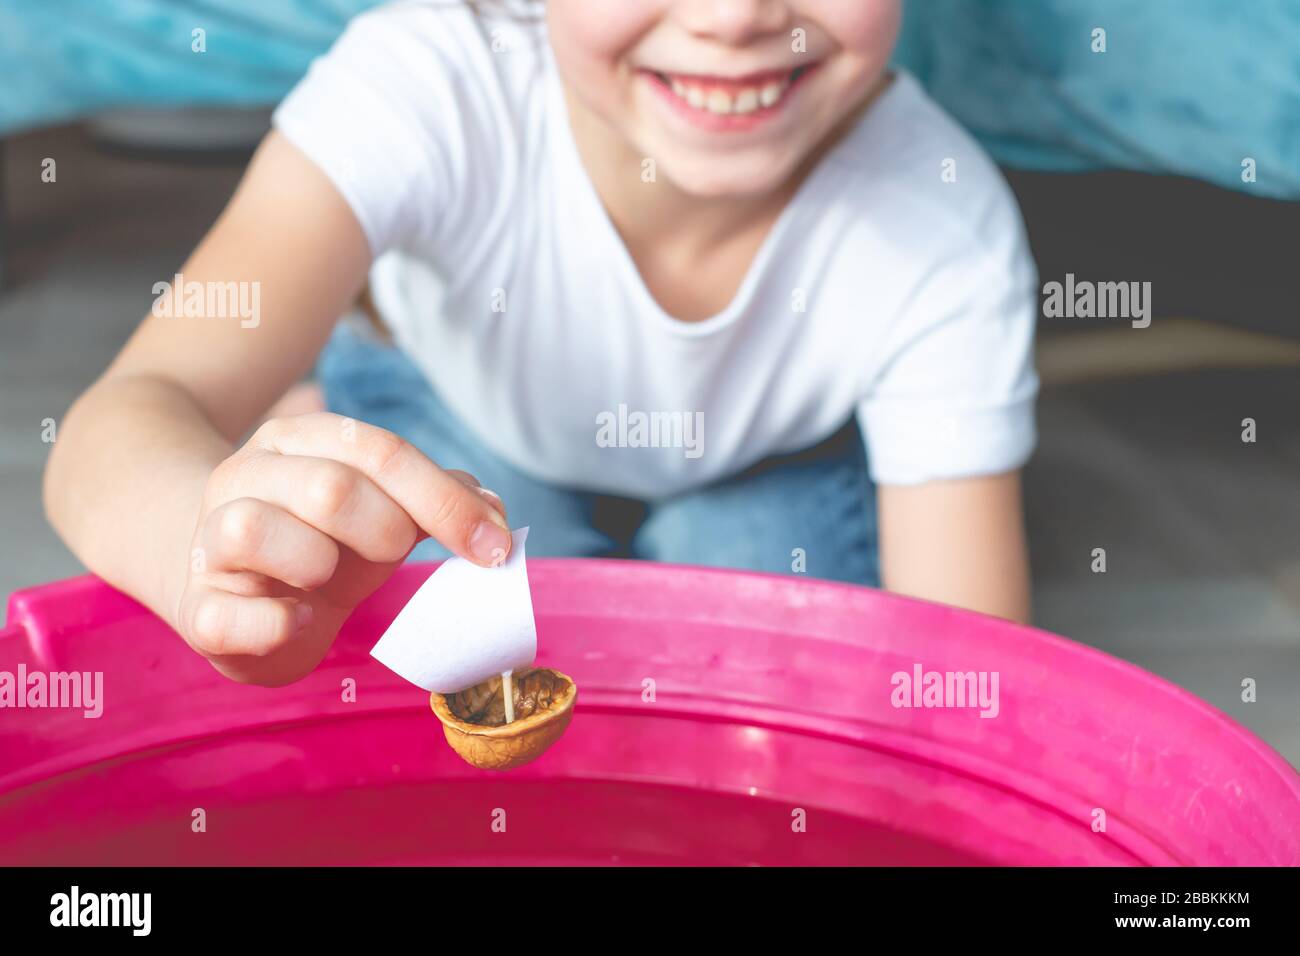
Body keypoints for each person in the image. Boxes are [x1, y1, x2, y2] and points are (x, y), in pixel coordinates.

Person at [44, 0, 1038, 687]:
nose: (733, 17)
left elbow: (968, 678)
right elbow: (131, 410)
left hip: (756, 458)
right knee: (489, 653)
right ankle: (335, 411)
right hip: (462, 412)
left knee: (747, 635)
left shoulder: (941, 224)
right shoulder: (431, 79)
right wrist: (199, 553)